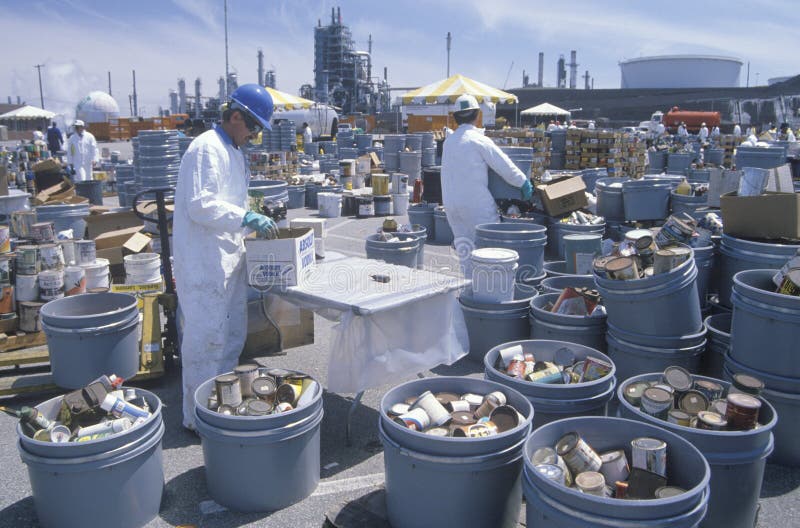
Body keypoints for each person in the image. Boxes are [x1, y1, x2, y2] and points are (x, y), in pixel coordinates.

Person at [173, 84, 277, 430]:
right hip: (203, 262)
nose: (255, 135)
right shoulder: (206, 148)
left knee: (231, 336)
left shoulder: (233, 151)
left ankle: (223, 406)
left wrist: (250, 214)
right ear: (235, 117)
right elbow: (201, 205)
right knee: (206, 342)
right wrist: (245, 217)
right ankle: (197, 418)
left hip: (228, 258)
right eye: (254, 126)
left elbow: (230, 200)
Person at [440, 94, 531, 278]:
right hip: (475, 204)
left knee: (465, 249)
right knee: (490, 247)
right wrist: (523, 182)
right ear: (477, 115)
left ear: (455, 117)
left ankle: (470, 288)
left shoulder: (449, 142)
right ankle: (492, 288)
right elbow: (503, 165)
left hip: (451, 205)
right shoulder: (478, 140)